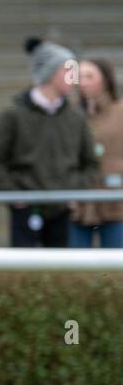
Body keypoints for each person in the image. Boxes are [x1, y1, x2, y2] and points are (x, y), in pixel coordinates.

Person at [0, 38, 100, 248]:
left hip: (63, 211)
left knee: (61, 271)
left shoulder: (76, 118)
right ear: (49, 73)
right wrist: (14, 195)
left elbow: (90, 163)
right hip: (25, 210)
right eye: (67, 70)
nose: (74, 78)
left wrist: (75, 192)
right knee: (23, 271)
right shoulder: (13, 116)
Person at [71, 58, 123, 248]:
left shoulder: (120, 112)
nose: (82, 82)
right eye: (79, 76)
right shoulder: (71, 114)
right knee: (74, 269)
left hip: (116, 203)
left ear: (106, 79)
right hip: (79, 204)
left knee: (116, 268)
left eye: (89, 76)